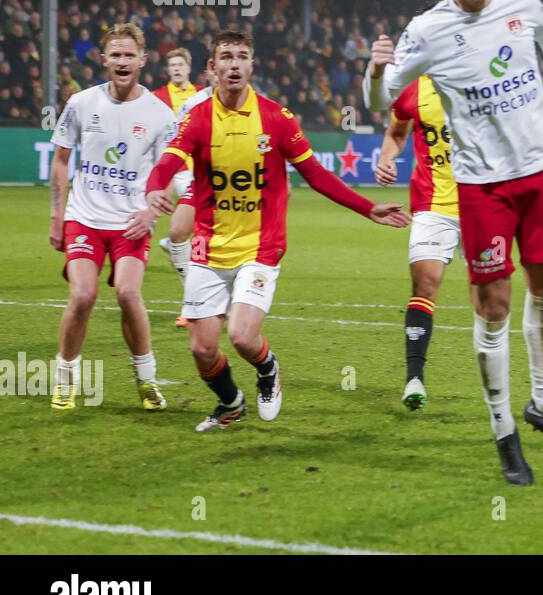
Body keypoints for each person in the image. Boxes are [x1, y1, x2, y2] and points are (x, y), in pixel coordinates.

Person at [367, 0, 543, 486]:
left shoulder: (519, 0)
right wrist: (375, 72)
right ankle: (504, 433)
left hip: (541, 171)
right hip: (482, 187)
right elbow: (381, 102)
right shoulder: (427, 31)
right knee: (493, 307)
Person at [129, 29, 410, 432]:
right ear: (212, 68)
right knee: (202, 349)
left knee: (243, 337)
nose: (234, 64)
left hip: (260, 247)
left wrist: (368, 208)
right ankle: (230, 403)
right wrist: (156, 187)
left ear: (251, 65)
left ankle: (268, 368)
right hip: (208, 247)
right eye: (225, 57)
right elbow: (168, 162)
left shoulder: (277, 119)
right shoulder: (198, 118)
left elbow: (315, 174)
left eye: (242, 56)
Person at [48, 23, 175, 411]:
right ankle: (65, 380)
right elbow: (61, 159)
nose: (122, 61)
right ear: (104, 60)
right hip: (84, 218)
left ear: (143, 60)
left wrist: (151, 210)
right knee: (83, 295)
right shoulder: (82, 103)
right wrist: (57, 217)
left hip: (131, 223)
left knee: (128, 293)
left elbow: (172, 172)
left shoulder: (159, 114)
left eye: (128, 55)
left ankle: (146, 381)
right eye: (114, 55)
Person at [374, 75, 459, 412]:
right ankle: (415, 378)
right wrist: (386, 158)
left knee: (492, 300)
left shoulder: (481, 74)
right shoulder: (414, 87)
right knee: (425, 283)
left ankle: (498, 391)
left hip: (483, 200)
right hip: (433, 203)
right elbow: (397, 132)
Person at [152, 48, 211, 327]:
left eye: (180, 64)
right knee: (181, 229)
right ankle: (194, 299)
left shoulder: (202, 95)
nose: (176, 69)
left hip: (201, 171)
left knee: (196, 231)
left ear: (189, 69)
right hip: (177, 167)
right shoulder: (158, 98)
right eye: (172, 65)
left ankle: (206, 299)